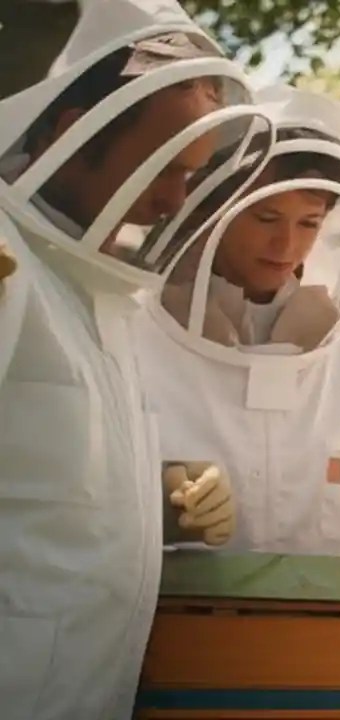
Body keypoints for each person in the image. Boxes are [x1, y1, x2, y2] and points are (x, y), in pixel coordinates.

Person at [133, 83, 340, 716]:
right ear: (217, 205)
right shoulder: (131, 340)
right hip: (169, 680)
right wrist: (154, 504)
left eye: (310, 223)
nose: (288, 247)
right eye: (267, 217)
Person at [0, 0, 267, 716]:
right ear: (69, 131)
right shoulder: (9, 266)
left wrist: (159, 502)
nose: (172, 200)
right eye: (161, 168)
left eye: (190, 174)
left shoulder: (97, 292)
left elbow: (39, 492)